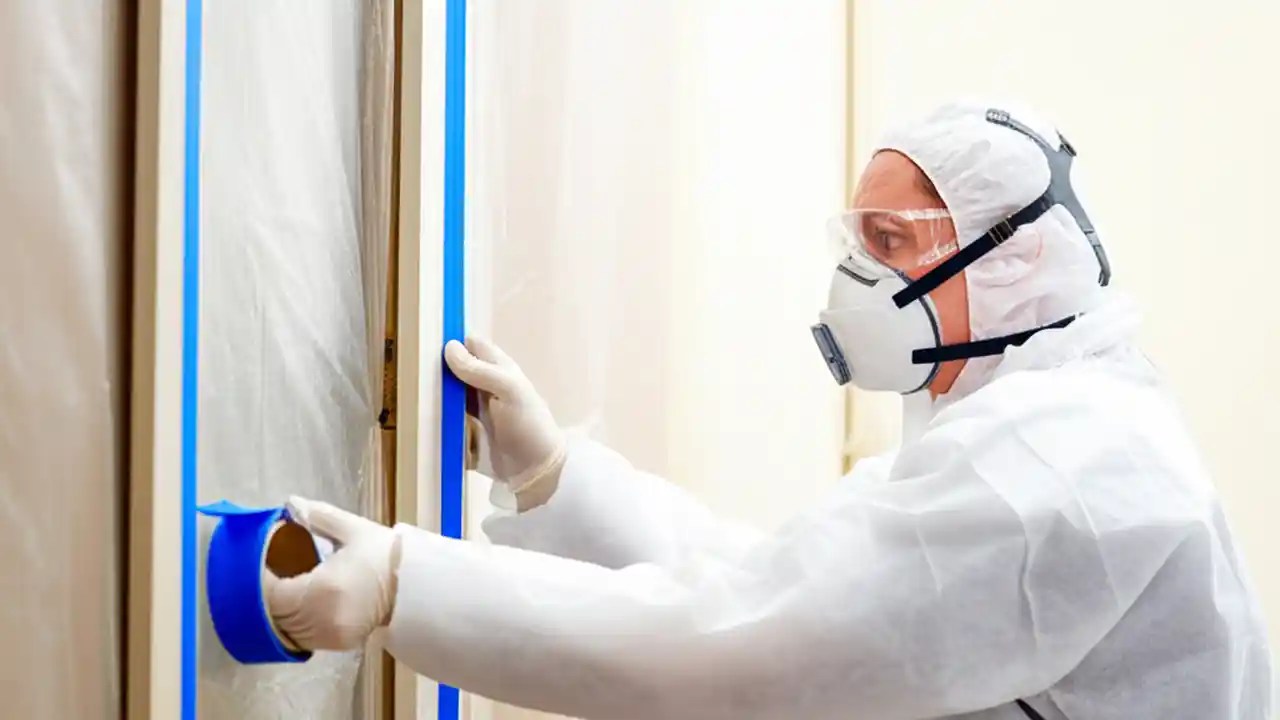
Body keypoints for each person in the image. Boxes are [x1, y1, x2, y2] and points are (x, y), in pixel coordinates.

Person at [266, 101, 1272, 719]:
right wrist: (553, 481)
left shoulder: (1054, 471)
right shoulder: (1042, 429)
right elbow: (779, 588)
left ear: (1009, 264)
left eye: (890, 239)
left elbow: (755, 642)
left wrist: (408, 585)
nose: (856, 273)